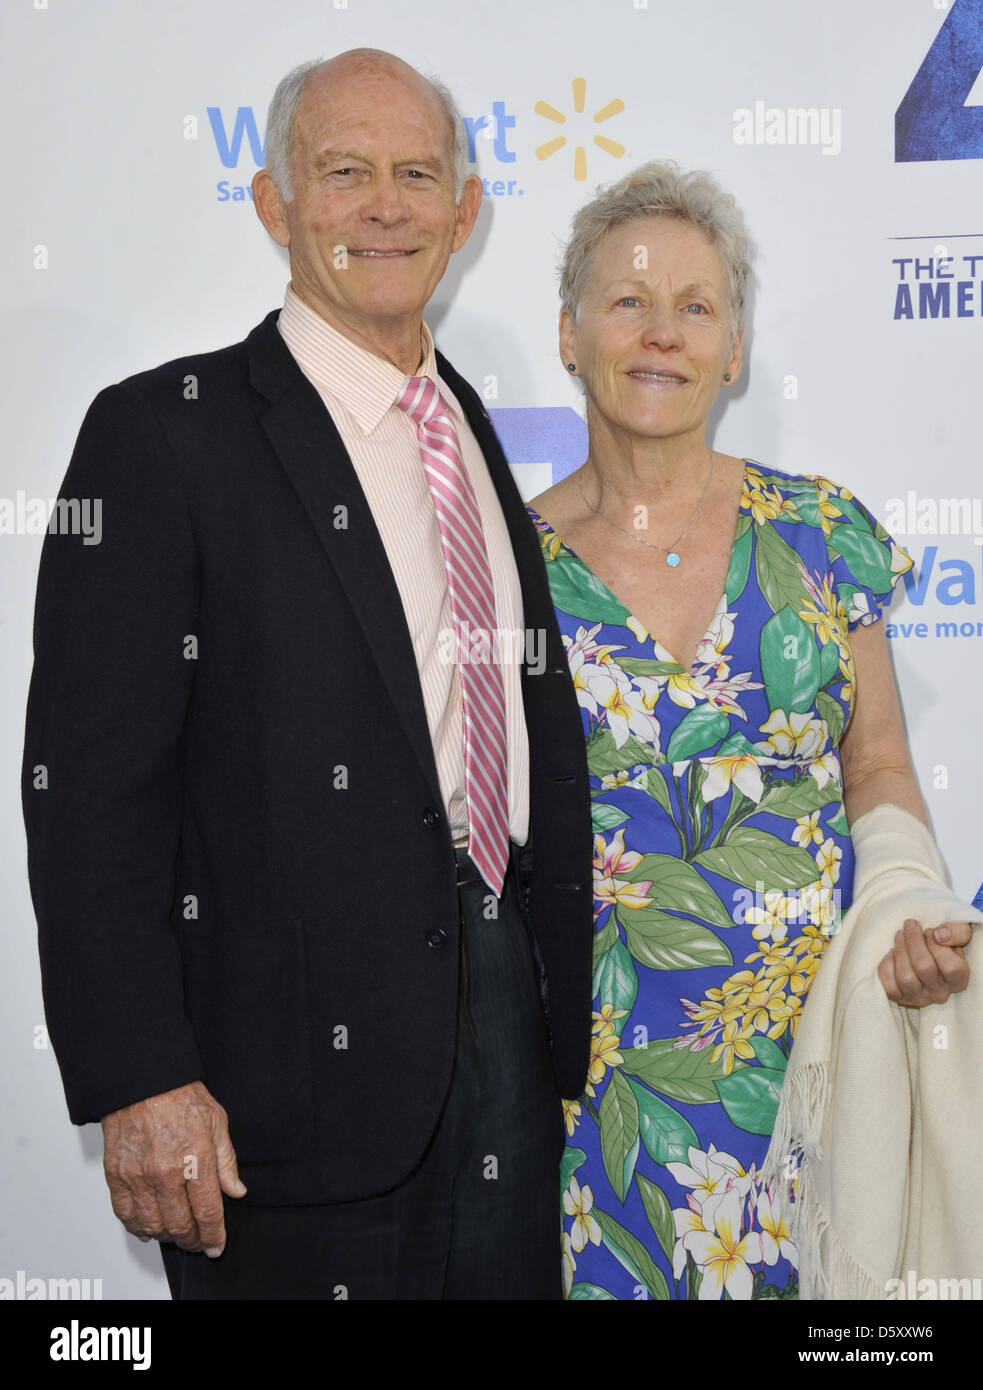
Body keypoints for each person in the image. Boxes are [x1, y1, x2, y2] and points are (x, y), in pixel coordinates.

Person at [21, 48, 593, 1301]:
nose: (385, 205)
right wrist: (135, 1077)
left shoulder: (470, 430)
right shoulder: (160, 434)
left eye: (415, 174)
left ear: (465, 208)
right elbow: (91, 793)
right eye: (343, 172)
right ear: (275, 203)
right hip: (276, 1086)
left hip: (501, 1035)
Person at [527, 161, 973, 1301]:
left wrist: (912, 903)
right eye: (625, 301)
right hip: (591, 1104)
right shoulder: (500, 569)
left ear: (732, 350)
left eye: (695, 305)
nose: (659, 332)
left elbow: (874, 764)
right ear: (569, 334)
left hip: (820, 1074)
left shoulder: (822, 533)